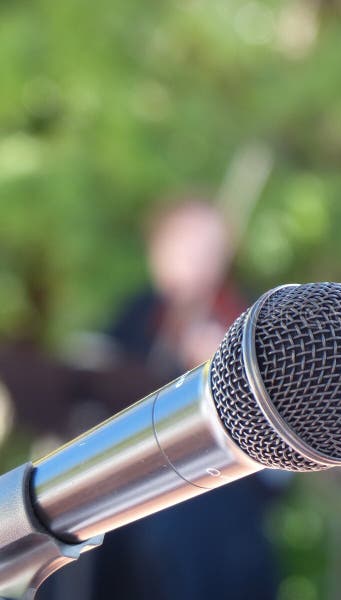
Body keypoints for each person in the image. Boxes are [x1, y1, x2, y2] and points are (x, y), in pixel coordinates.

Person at [40, 198, 282, 600]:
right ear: (158, 254)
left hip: (217, 493)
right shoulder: (137, 314)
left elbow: (277, 445)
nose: (199, 259)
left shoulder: (248, 318)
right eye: (186, 244)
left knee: (187, 530)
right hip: (132, 490)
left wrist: (228, 370)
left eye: (210, 248)